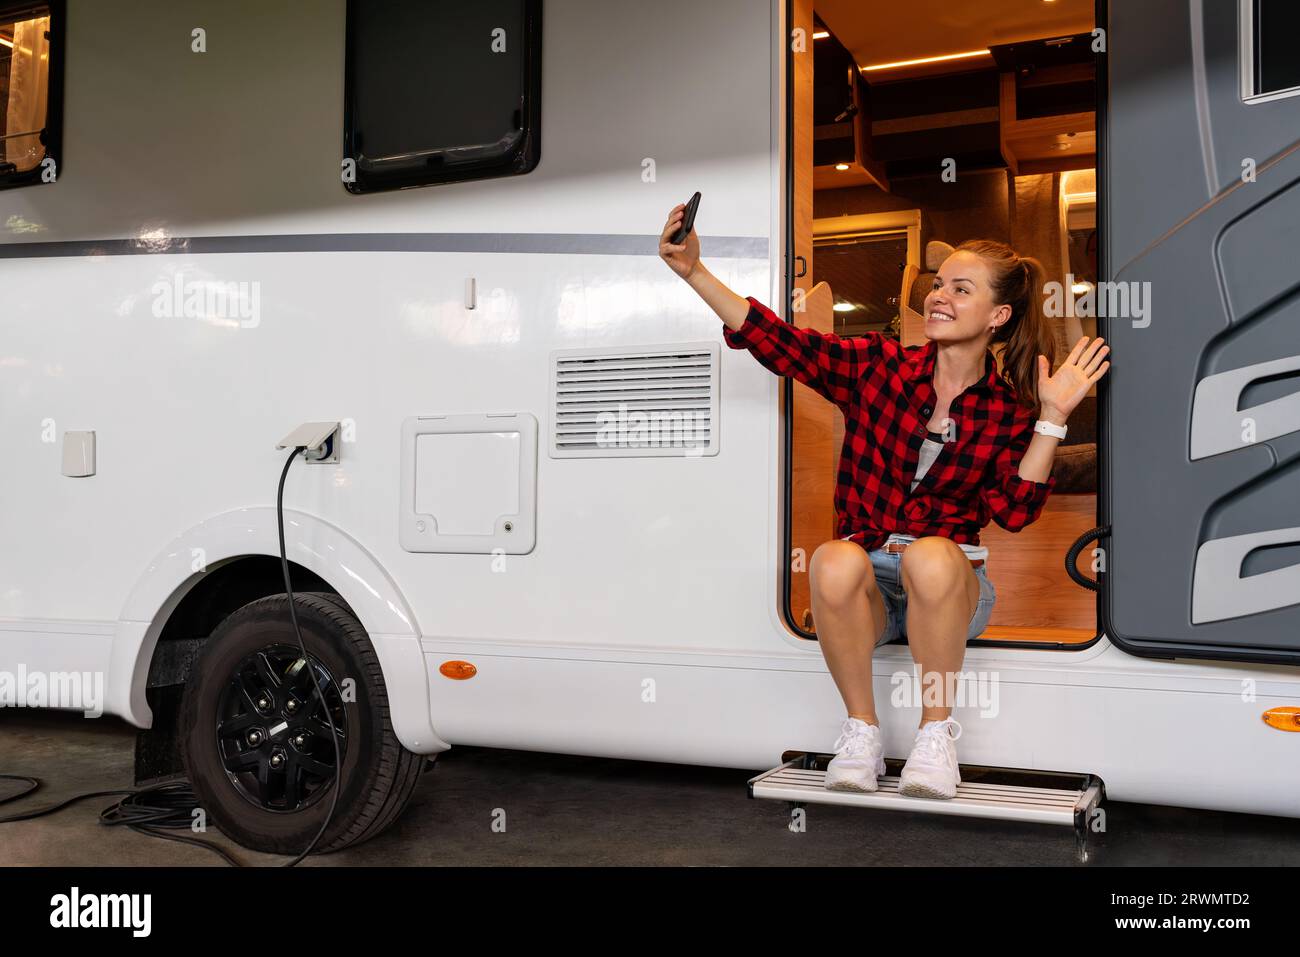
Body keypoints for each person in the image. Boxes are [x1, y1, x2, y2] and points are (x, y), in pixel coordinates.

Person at [658, 203, 1110, 799]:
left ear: (998, 315)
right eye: (940, 285)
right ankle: (861, 733)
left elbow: (1017, 512)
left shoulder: (1009, 408)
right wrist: (695, 272)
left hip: (950, 585)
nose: (939, 297)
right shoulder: (879, 366)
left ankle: (935, 737)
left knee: (930, 553)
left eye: (961, 288)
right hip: (873, 581)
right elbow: (779, 342)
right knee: (833, 558)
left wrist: (1051, 419)